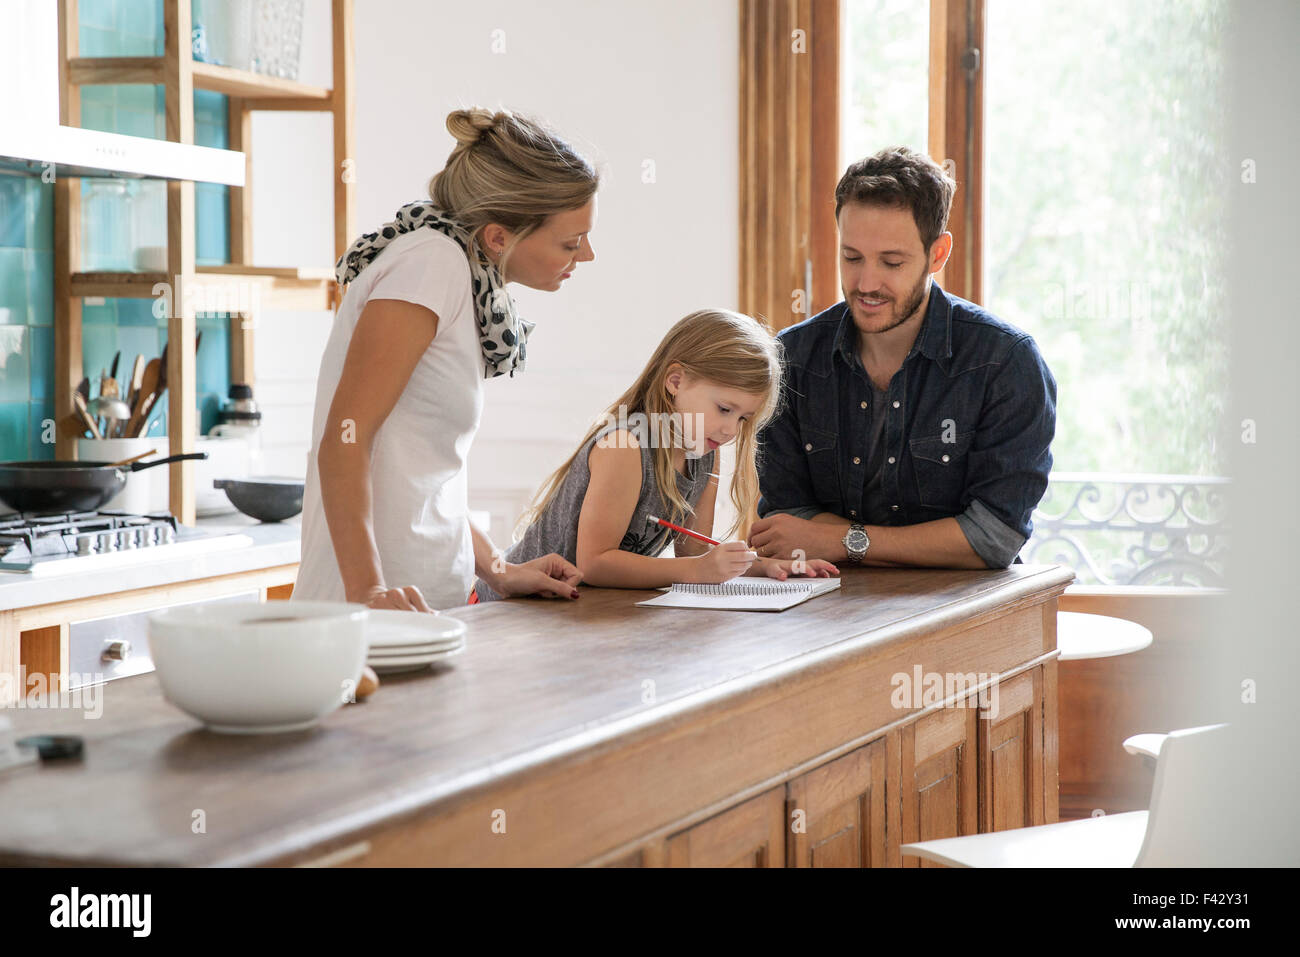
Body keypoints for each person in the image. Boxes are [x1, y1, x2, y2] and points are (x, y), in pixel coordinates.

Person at [293, 107, 598, 612]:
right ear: (499, 236)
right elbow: (344, 438)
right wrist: (369, 592)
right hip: (373, 613)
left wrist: (500, 569)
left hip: (426, 599)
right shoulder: (429, 265)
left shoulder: (464, 273)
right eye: (571, 241)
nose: (586, 255)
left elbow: (429, 472)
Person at [749, 146, 1057, 569]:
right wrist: (918, 547)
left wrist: (845, 541)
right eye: (851, 257)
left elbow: (991, 538)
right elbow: (786, 524)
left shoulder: (1006, 364)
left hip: (964, 617)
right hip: (822, 611)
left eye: (892, 262)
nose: (866, 283)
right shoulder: (791, 359)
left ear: (938, 254)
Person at [472, 309, 839, 601]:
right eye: (724, 409)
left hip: (573, 617)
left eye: (743, 418)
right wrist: (698, 570)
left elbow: (693, 555)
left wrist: (760, 567)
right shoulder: (626, 447)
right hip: (505, 610)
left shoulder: (703, 452)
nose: (730, 430)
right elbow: (596, 564)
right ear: (675, 381)